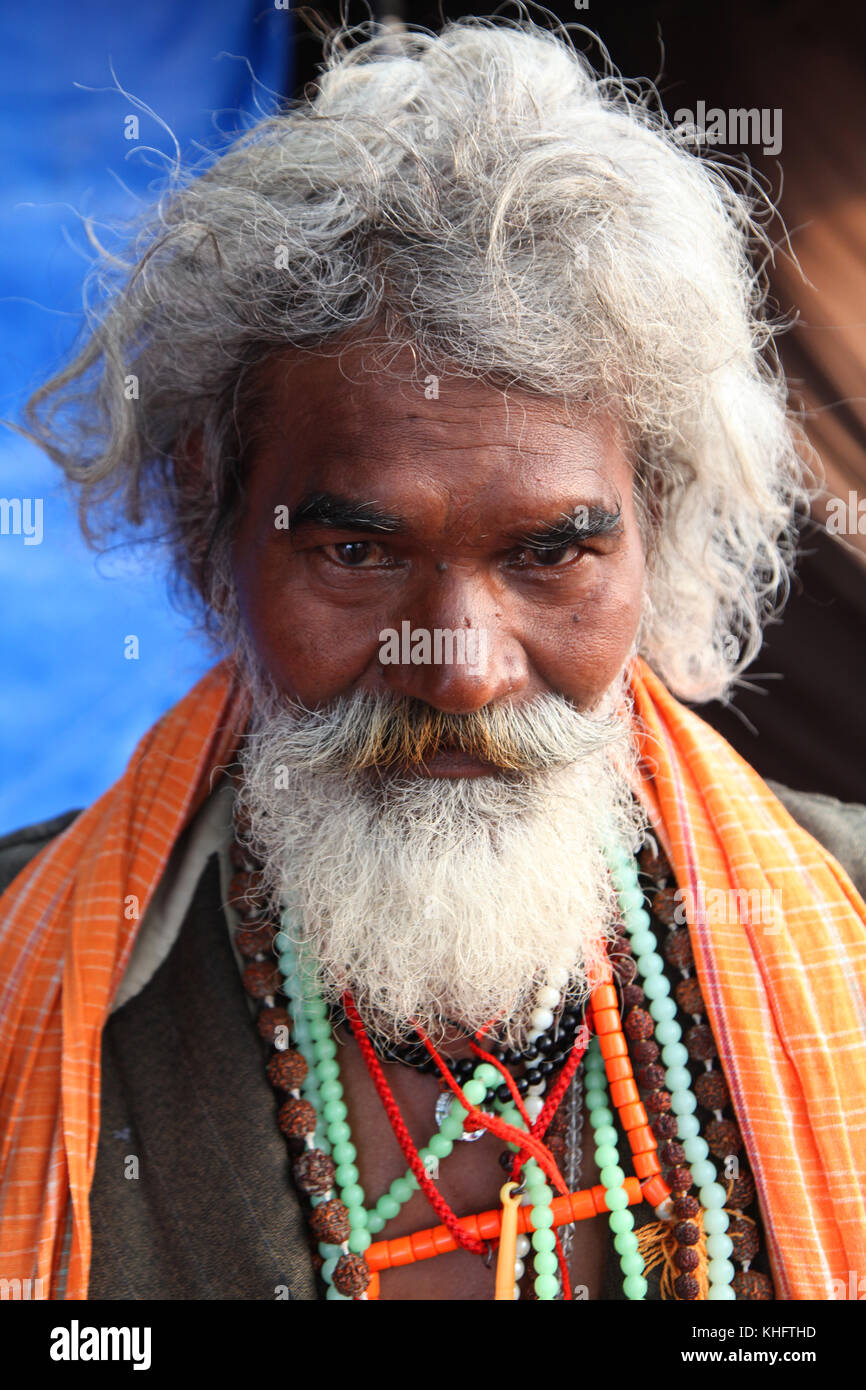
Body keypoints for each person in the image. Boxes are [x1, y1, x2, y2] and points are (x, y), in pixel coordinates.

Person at [1, 17, 864, 1303]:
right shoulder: (29, 987)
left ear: (655, 534)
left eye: (550, 556)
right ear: (210, 529)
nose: (456, 668)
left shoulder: (844, 925)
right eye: (355, 553)